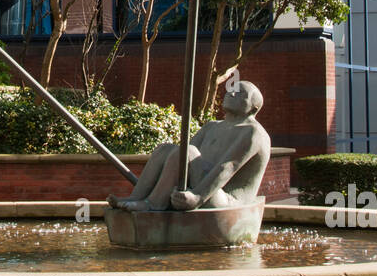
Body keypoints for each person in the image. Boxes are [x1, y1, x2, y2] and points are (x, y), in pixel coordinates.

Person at [107, 81, 271, 212]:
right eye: (231, 89)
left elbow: (227, 167)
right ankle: (136, 197)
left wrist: (197, 197)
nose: (232, 93)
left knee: (188, 152)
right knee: (165, 149)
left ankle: (153, 204)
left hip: (223, 198)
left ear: (254, 107)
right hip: (197, 187)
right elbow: (179, 157)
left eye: (240, 93)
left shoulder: (253, 133)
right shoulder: (212, 126)